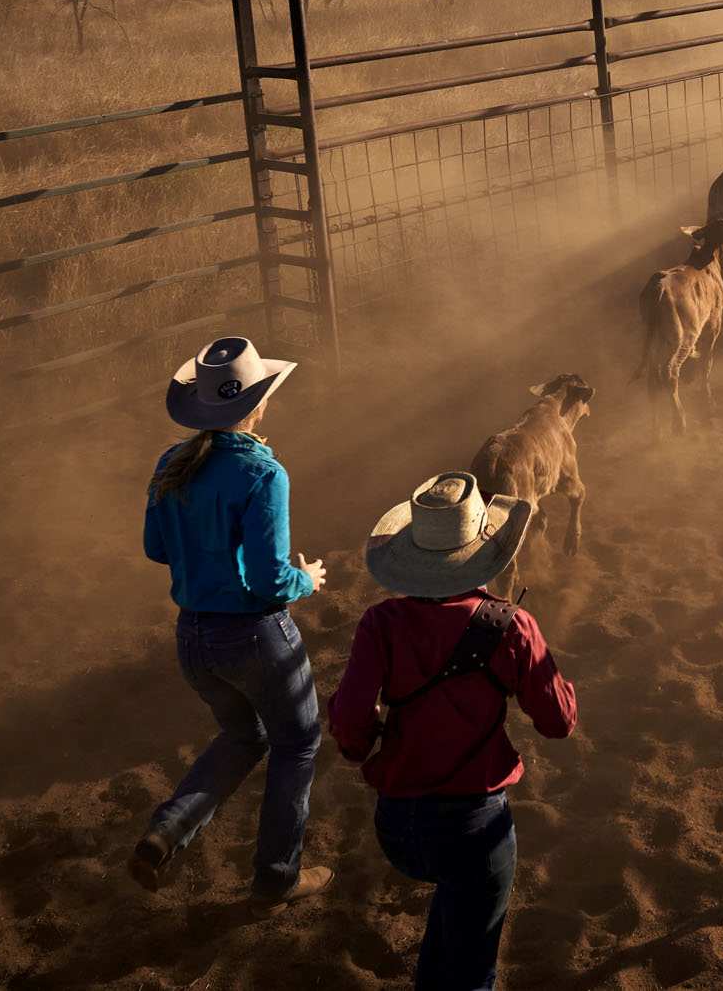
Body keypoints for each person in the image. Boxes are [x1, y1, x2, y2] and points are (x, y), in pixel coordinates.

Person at [328, 473, 578, 991]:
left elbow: (350, 727)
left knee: (453, 915)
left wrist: (361, 745)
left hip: (398, 827)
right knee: (473, 966)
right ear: (485, 550)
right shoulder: (512, 626)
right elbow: (558, 723)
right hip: (473, 825)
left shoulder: (380, 623)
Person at [130, 336, 331, 907]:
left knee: (245, 735)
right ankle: (276, 875)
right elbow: (270, 581)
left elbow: (154, 547)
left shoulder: (171, 463)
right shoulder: (264, 475)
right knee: (298, 744)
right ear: (259, 403)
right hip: (254, 637)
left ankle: (168, 829)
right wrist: (307, 580)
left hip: (193, 637)